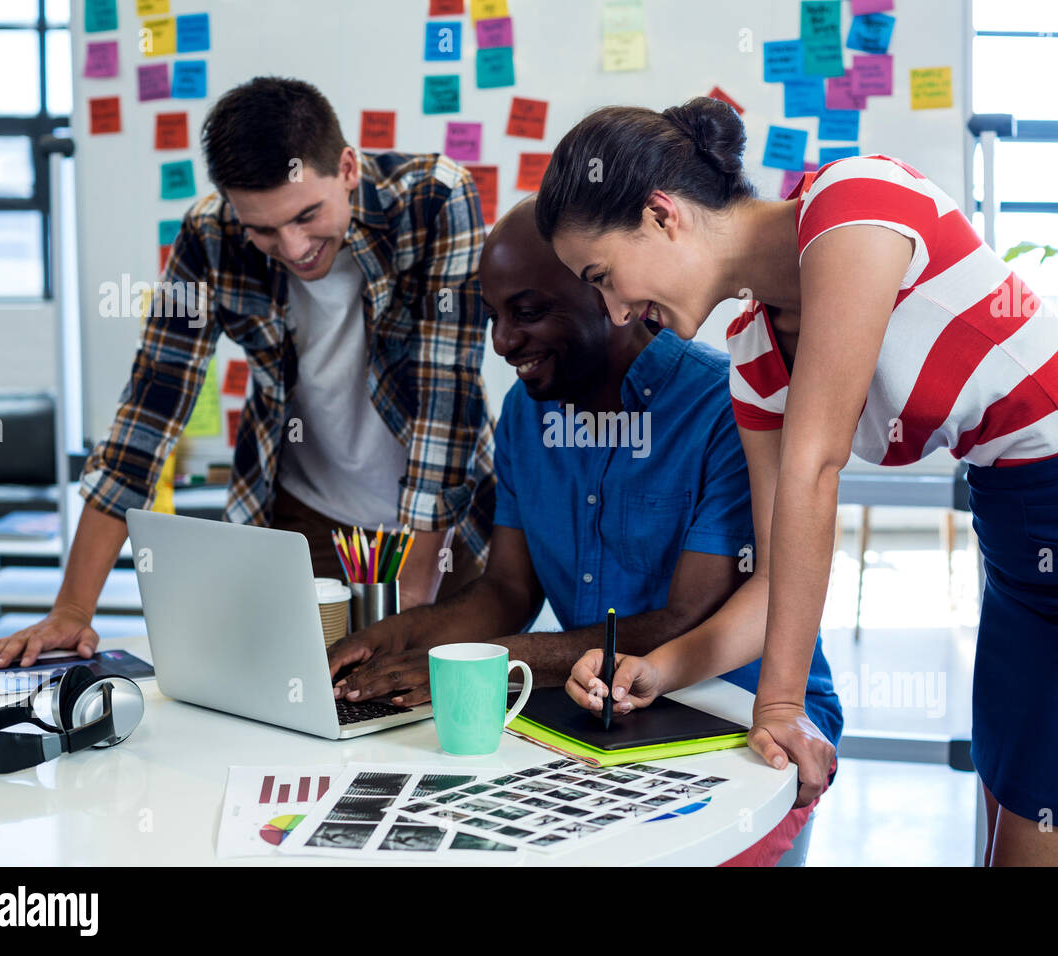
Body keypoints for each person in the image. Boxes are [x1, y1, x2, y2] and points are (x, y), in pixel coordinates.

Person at [533, 97, 1058, 866]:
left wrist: (784, 706)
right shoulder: (756, 354)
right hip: (1020, 559)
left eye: (603, 276)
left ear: (663, 215)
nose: (616, 311)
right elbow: (774, 577)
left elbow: (815, 466)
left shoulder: (855, 207)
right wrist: (657, 668)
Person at [327, 196, 842, 866]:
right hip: (596, 718)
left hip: (739, 717)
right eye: (493, 316)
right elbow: (509, 588)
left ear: (610, 292)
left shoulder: (722, 406)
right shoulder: (523, 414)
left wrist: (497, 669)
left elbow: (686, 618)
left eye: (530, 310)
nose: (503, 342)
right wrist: (399, 632)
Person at [0, 77, 495, 669]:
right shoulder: (209, 235)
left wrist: (406, 612)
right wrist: (72, 611)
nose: (294, 247)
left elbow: (444, 416)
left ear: (347, 168)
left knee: (420, 698)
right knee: (298, 700)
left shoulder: (434, 200)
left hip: (439, 529)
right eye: (264, 229)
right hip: (306, 518)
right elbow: (146, 420)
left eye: (306, 215)